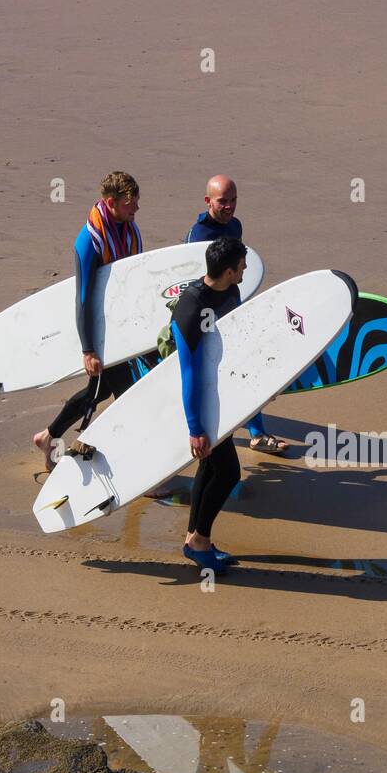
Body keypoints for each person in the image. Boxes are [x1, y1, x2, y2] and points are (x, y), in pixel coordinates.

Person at [32, 172, 149, 471]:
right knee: (126, 397)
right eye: (128, 204)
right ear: (111, 203)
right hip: (101, 332)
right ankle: (135, 468)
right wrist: (88, 350)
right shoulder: (88, 242)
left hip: (121, 329)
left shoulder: (129, 230)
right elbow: (83, 298)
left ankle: (49, 436)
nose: (135, 209)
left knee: (99, 392)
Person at [184, 175, 289, 457]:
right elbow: (191, 280)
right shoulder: (197, 235)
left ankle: (257, 432)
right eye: (222, 201)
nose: (229, 206)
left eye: (233, 200)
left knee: (244, 362)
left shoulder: (235, 225)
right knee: (209, 369)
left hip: (231, 300)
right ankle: (203, 425)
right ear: (208, 201)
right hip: (206, 311)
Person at [172, 237, 249, 573]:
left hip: (223, 394)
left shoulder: (231, 292)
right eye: (242, 265)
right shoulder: (190, 307)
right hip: (201, 398)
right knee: (229, 471)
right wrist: (195, 428)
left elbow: (238, 344)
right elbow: (188, 372)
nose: (246, 268)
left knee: (210, 467)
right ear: (229, 270)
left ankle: (194, 538)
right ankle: (200, 541)